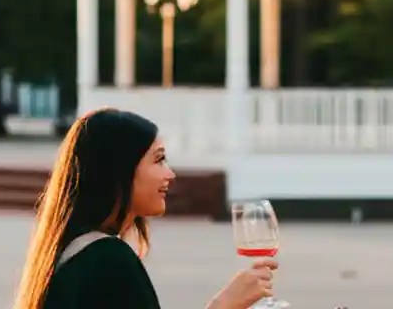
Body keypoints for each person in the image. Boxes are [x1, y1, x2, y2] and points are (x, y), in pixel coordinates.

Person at [15, 108, 277, 309]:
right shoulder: (108, 259)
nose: (170, 174)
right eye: (159, 159)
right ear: (120, 170)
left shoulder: (69, 252)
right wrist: (225, 304)